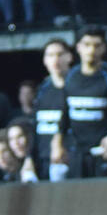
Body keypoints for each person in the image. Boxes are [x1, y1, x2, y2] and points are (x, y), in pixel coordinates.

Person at [55, 27, 107, 179]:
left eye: (97, 45)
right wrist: (57, 144)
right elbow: (64, 115)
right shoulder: (70, 77)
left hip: (104, 153)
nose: (91, 50)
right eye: (87, 44)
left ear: (103, 48)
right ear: (78, 47)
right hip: (76, 153)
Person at [34, 38, 74, 179]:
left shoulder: (78, 85)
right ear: (45, 60)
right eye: (50, 55)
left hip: (74, 158)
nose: (55, 59)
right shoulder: (42, 89)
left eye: (60, 54)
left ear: (69, 57)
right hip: (45, 158)